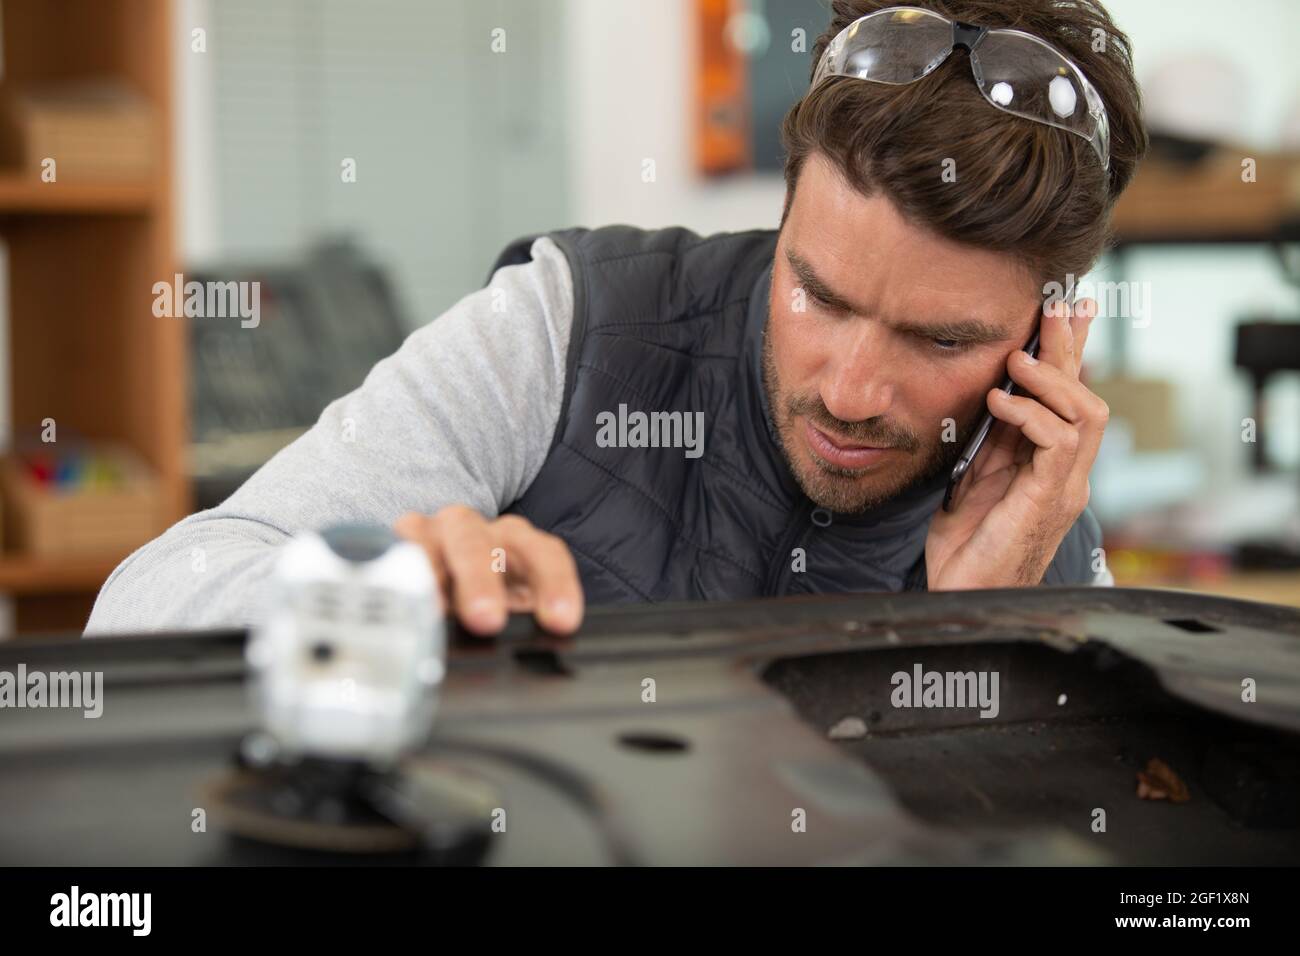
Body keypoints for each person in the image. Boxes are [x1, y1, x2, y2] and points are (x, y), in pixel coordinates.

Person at [87, 0, 1147, 638]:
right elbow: (141, 605)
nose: (847, 388)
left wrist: (979, 634)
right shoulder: (565, 325)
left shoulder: (1035, 505)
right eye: (816, 293)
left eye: (941, 339)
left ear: (1046, 336)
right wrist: (375, 597)